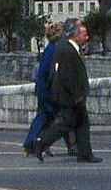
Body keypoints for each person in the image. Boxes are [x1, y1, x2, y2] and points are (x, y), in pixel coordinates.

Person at [31, 21, 101, 163]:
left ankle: (84, 154)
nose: (87, 38)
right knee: (64, 124)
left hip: (70, 95)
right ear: (76, 36)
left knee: (81, 124)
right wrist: (77, 96)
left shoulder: (66, 47)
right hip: (71, 97)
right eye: (84, 35)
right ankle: (41, 144)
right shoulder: (67, 50)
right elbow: (67, 76)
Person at [23, 22, 74, 158]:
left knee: (49, 118)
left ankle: (38, 144)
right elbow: (49, 72)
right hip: (48, 91)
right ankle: (33, 144)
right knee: (53, 118)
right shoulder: (53, 50)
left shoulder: (50, 49)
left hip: (44, 90)